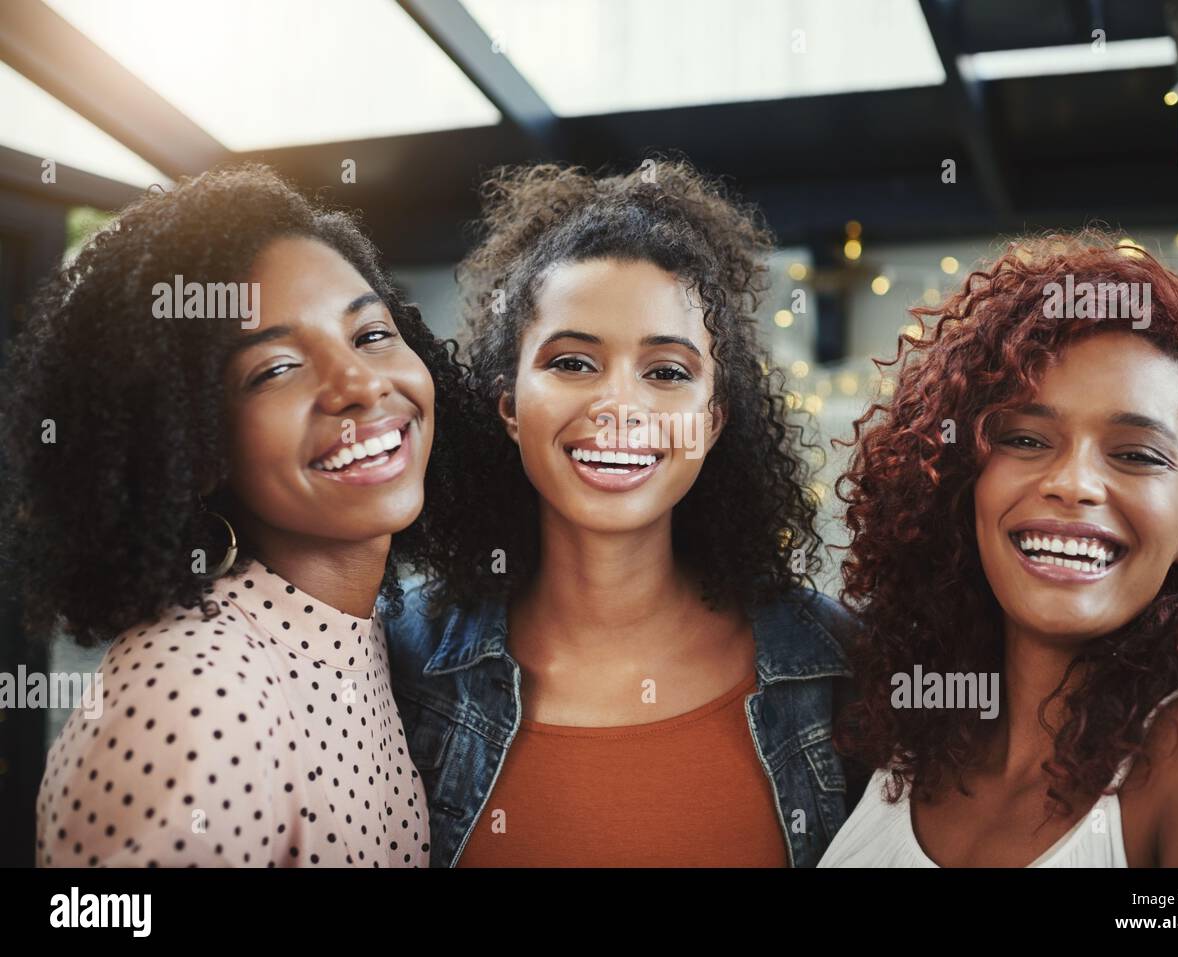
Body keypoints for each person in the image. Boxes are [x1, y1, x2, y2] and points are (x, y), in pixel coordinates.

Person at [4, 164, 487, 866]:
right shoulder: (197, 683)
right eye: (275, 369)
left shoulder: (366, 637)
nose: (359, 383)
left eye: (372, 334)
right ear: (194, 448)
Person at [386, 159, 864, 867]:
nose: (618, 407)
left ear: (713, 419)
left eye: (667, 371)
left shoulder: (839, 664)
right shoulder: (401, 660)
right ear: (509, 405)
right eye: (573, 362)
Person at [821, 234, 1178, 867]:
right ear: (965, 482)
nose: (1073, 483)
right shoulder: (909, 738)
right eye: (1025, 440)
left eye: (1136, 454)